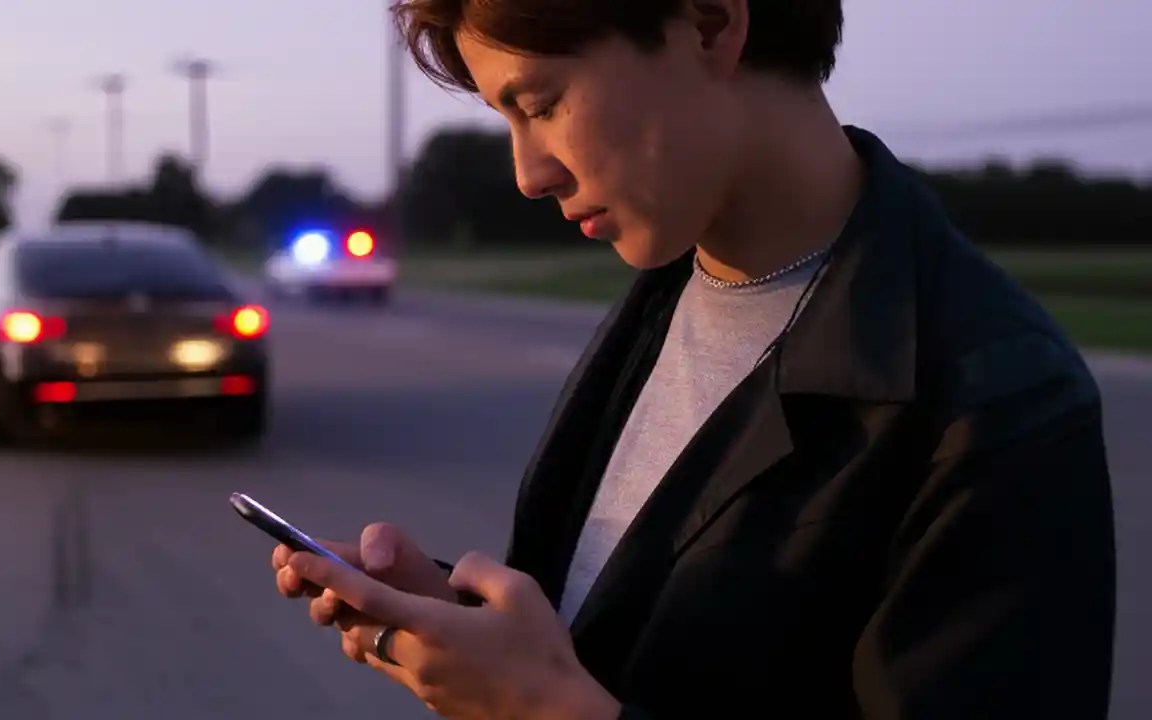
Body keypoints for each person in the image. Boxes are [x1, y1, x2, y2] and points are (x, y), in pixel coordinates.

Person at [271, 0, 1118, 717]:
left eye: (541, 101)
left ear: (710, 25)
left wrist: (548, 708)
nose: (528, 173)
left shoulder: (997, 397)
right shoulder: (667, 288)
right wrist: (470, 627)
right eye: (505, 118)